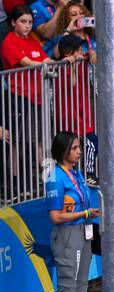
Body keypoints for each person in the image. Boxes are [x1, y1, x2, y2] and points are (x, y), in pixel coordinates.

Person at [45, 130, 100, 292]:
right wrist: (84, 212)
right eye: (75, 148)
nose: (79, 152)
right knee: (67, 290)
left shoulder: (76, 173)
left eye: (79, 148)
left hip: (83, 233)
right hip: (68, 236)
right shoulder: (55, 177)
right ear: (64, 151)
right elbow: (55, 217)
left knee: (80, 289)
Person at [2, 6, 49, 189]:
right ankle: (14, 184)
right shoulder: (9, 41)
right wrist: (46, 65)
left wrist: (61, 61)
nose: (27, 26)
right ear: (13, 23)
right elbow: (26, 63)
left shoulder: (32, 40)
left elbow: (45, 59)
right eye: (23, 22)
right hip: (18, 97)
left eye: (30, 22)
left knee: (37, 139)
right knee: (16, 141)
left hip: (36, 97)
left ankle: (46, 178)